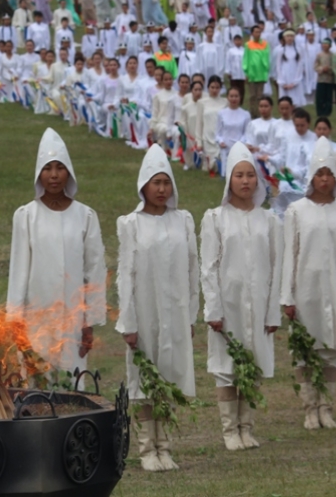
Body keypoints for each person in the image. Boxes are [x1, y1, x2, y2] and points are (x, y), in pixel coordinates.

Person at [116, 144, 198, 471]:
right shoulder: (131, 224)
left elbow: (192, 269)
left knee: (169, 375)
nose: (161, 189)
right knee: (144, 378)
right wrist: (129, 321)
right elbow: (125, 274)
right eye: (156, 183)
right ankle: (147, 448)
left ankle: (165, 446)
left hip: (175, 311)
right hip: (145, 311)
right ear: (144, 186)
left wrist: (191, 314)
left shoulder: (183, 221)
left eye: (166, 182)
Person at [6, 128, 107, 379]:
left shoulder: (85, 216)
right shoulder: (26, 216)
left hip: (73, 317)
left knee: (73, 381)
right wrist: (16, 320)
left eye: (60, 168)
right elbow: (19, 271)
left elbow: (94, 269)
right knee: (37, 381)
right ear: (38, 173)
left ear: (69, 172)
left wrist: (89, 321)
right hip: (37, 316)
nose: (53, 175)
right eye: (47, 168)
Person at [202, 142, 282, 451]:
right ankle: (229, 431)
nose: (245, 181)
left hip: (258, 304)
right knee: (227, 366)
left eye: (250, 175)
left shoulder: (269, 221)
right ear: (229, 180)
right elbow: (209, 266)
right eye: (239, 175)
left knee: (253, 361)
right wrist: (213, 308)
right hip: (228, 304)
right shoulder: (215, 218)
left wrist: (272, 311)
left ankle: (247, 428)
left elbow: (276, 266)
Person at [282, 137, 336, 430]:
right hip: (305, 291)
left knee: (330, 349)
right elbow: (289, 255)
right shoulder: (296, 211)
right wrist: (287, 296)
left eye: (329, 173)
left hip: (335, 290)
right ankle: (309, 408)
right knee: (306, 350)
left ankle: (326, 407)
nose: (324, 179)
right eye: (319, 174)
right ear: (311, 177)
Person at [216, 86, 250, 177]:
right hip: (225, 146)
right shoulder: (221, 113)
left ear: (240, 97)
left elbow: (247, 133)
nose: (234, 99)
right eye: (231, 96)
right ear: (227, 97)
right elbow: (218, 134)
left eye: (236, 96)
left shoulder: (245, 114)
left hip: (239, 145)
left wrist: (240, 143)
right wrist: (220, 141)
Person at [243, 25, 269, 118]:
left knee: (260, 96)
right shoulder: (248, 44)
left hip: (261, 73)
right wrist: (246, 72)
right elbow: (246, 59)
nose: (258, 34)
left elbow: (266, 58)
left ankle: (259, 113)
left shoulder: (265, 44)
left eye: (259, 32)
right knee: (252, 96)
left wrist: (266, 70)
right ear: (252, 33)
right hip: (252, 74)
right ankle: (252, 113)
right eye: (256, 32)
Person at [314, 38, 335, 117]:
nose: (325, 46)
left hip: (329, 79)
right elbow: (315, 66)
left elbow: (334, 66)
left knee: (328, 96)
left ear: (330, 46)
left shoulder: (332, 55)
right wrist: (322, 69)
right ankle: (320, 111)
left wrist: (329, 69)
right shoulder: (319, 55)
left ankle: (327, 111)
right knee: (320, 96)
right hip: (321, 79)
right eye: (324, 44)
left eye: (327, 44)